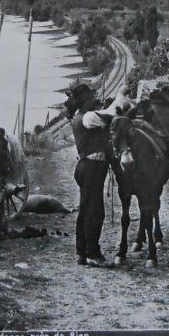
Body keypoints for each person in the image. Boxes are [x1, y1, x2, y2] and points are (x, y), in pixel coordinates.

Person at [65, 84, 116, 267]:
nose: (94, 104)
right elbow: (112, 117)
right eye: (91, 101)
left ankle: (81, 252)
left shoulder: (80, 117)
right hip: (92, 167)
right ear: (85, 103)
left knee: (85, 209)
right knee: (95, 211)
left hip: (86, 166)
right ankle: (93, 254)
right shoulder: (88, 117)